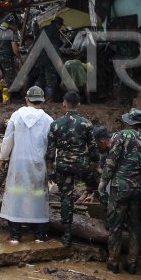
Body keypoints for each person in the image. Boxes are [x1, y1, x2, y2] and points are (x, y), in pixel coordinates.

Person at [0, 86, 54, 243]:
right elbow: (51, 145)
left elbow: (8, 139)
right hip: (38, 162)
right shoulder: (48, 120)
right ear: (42, 101)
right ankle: (40, 235)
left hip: (18, 162)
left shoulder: (17, 115)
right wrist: (51, 166)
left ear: (27, 99)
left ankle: (15, 235)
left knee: (15, 194)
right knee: (38, 195)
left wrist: (2, 158)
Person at [45, 91, 97, 247]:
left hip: (63, 166)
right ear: (79, 105)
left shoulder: (55, 124)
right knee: (97, 186)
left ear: (64, 104)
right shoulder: (86, 123)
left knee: (66, 198)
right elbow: (93, 149)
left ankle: (67, 235)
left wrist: (51, 170)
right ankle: (106, 217)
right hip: (82, 165)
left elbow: (50, 152)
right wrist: (95, 166)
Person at [100, 109, 141, 272]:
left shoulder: (121, 135)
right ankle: (132, 263)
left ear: (130, 122)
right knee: (135, 225)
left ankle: (113, 262)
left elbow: (111, 160)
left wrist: (103, 181)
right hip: (138, 187)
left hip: (120, 186)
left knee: (116, 224)